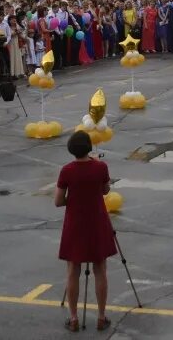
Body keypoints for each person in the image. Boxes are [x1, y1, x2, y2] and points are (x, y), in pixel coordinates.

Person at [55, 130, 118, 331]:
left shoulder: (67, 171)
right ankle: (101, 316)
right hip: (97, 222)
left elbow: (58, 201)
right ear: (89, 148)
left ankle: (73, 318)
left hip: (75, 223)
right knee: (100, 269)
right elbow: (106, 190)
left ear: (71, 150)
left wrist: (72, 200)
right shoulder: (101, 167)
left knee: (73, 270)